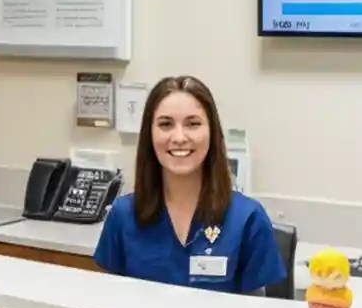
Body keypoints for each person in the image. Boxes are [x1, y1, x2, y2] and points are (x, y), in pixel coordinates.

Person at [93, 75, 286, 294]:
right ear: (150, 135)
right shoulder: (123, 215)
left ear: (212, 133)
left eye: (193, 124)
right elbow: (111, 305)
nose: (179, 137)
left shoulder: (248, 219)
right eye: (165, 124)